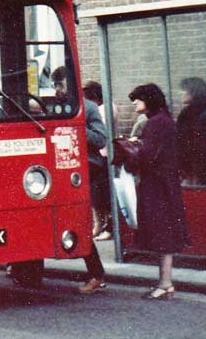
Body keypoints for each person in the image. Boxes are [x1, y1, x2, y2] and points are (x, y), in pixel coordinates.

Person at [124, 83, 190, 300]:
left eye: (138, 98)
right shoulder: (164, 120)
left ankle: (165, 283)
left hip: (157, 185)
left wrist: (129, 155)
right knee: (164, 232)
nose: (134, 102)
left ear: (149, 100)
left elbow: (146, 156)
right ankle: (165, 283)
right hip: (166, 183)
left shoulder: (154, 123)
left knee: (161, 232)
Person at [77, 84, 110, 294]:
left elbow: (100, 138)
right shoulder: (51, 106)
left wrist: (76, 127)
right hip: (57, 166)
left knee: (79, 219)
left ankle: (97, 274)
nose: (58, 90)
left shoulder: (88, 107)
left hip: (85, 166)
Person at [82, 81, 113, 240]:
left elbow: (101, 137)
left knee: (99, 197)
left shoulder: (96, 109)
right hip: (102, 156)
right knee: (98, 196)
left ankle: (101, 225)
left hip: (100, 157)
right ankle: (99, 225)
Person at [176, 77, 206, 186]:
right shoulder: (188, 112)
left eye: (183, 90)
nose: (180, 93)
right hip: (193, 167)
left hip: (196, 168)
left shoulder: (193, 114)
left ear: (193, 91)